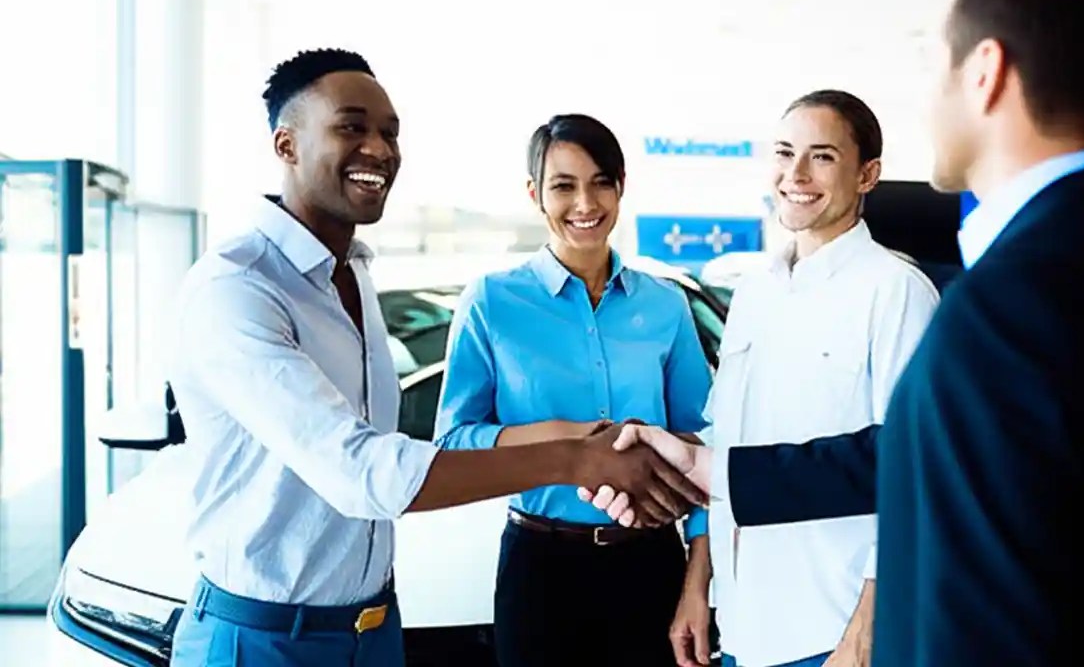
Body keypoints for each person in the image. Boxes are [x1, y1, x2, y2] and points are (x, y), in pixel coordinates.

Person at [586, 0, 1084, 664]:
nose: (928, 98)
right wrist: (699, 469)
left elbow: (985, 557)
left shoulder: (1021, 289)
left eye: (936, 67)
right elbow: (911, 456)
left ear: (986, 73)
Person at [165, 50, 703, 667]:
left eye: (390, 132)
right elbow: (365, 470)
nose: (379, 148)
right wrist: (576, 454)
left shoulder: (352, 275)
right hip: (265, 635)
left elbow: (702, 432)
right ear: (285, 144)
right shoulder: (235, 288)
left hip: (372, 625)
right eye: (351, 126)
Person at [432, 113, 713, 667]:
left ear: (621, 186)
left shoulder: (665, 305)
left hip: (650, 563)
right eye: (564, 185)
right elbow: (455, 442)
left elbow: (705, 447)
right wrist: (580, 443)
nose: (585, 203)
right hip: (541, 568)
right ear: (535, 194)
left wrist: (697, 586)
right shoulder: (491, 302)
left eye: (600, 182)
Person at [671, 91, 938, 667]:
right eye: (785, 153)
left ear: (868, 175)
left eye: (821, 157)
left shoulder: (896, 292)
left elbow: (913, 469)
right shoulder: (754, 290)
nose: (796, 175)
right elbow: (724, 445)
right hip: (744, 625)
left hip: (834, 630)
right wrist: (700, 586)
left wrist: (870, 623)